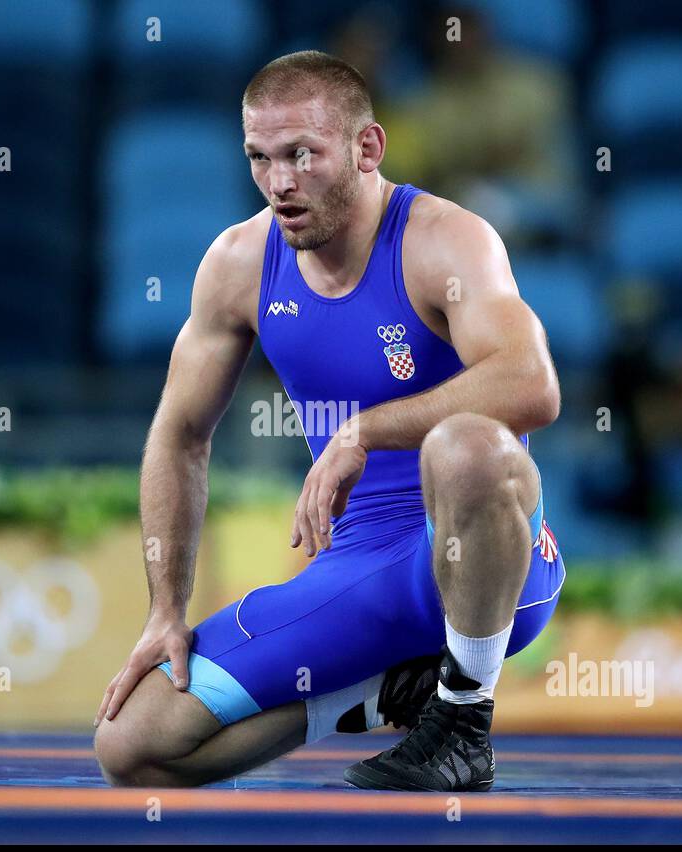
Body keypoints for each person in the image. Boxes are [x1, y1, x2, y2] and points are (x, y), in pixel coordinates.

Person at [94, 51, 563, 792]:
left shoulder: (445, 240)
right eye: (260, 158)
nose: (280, 183)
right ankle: (386, 693)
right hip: (361, 573)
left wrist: (364, 431)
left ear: (366, 148)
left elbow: (532, 384)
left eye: (302, 155)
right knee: (131, 743)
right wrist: (165, 610)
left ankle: (465, 713)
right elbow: (179, 434)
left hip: (492, 567)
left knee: (467, 445)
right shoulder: (239, 264)